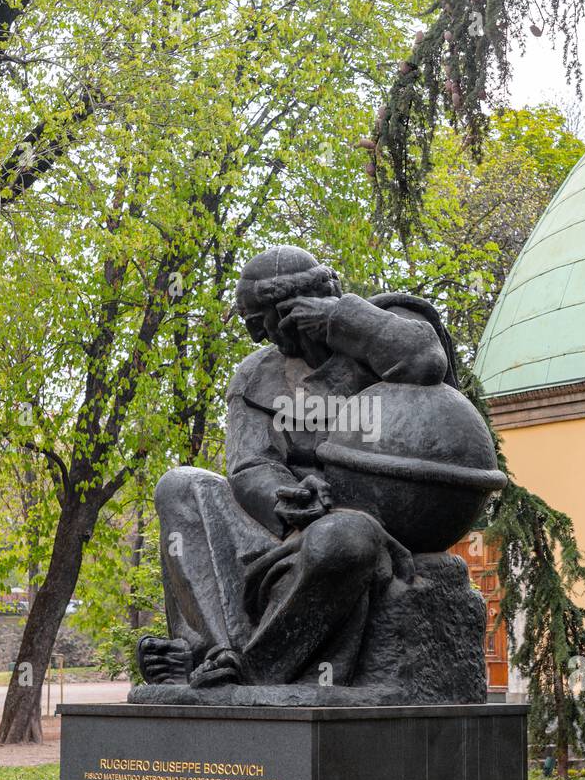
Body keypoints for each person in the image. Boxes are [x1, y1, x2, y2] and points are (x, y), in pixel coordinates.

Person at [138, 245, 454, 687]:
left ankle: (255, 668)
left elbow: (427, 361)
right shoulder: (254, 377)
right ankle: (217, 652)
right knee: (179, 485)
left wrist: (338, 320)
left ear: (295, 308)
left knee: (343, 539)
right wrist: (284, 498)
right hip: (280, 523)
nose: (260, 336)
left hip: (361, 521)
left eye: (262, 321)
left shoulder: (377, 337)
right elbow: (250, 465)